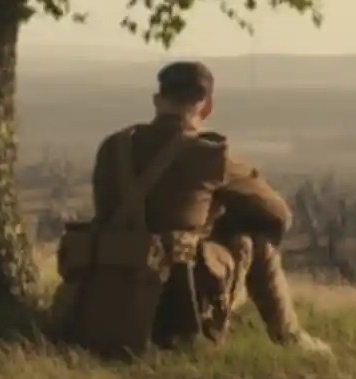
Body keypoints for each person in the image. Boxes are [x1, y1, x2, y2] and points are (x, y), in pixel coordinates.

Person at [50, 60, 330, 356]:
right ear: (206, 106)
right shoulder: (209, 154)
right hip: (177, 304)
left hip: (104, 293)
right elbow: (278, 214)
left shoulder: (113, 147)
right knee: (255, 241)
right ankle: (291, 338)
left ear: (157, 100)